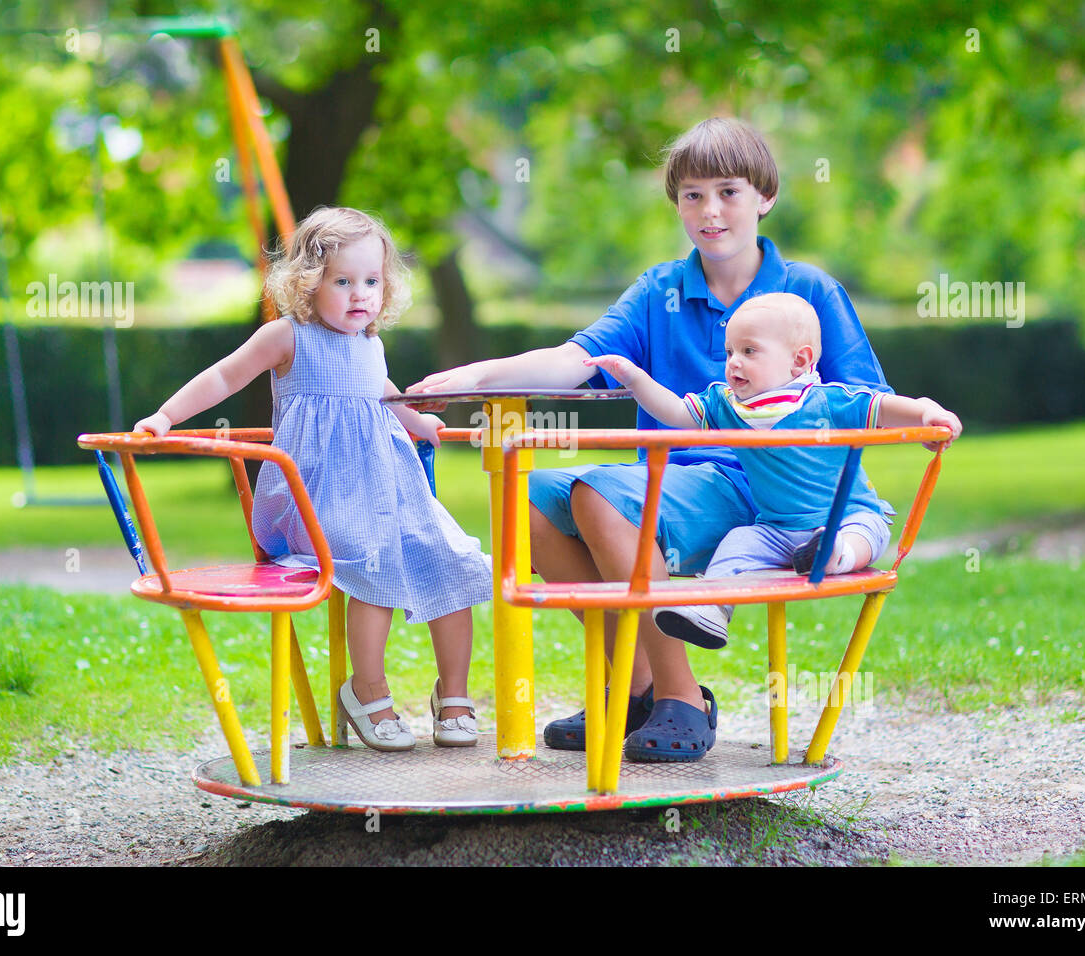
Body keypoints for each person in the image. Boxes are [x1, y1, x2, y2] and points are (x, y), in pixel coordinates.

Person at [408, 117, 893, 763]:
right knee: (524, 501)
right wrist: (472, 376)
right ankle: (635, 685)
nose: (710, 210)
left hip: (776, 495)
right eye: (692, 195)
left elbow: (864, 401)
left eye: (728, 191)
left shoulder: (807, 290)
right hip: (680, 483)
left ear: (765, 197)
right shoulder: (661, 290)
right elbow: (575, 359)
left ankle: (681, 695)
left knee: (598, 493)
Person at [134, 207, 493, 753]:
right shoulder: (288, 336)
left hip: (387, 492)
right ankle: (367, 689)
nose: (360, 295)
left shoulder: (370, 345)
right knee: (370, 559)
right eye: (343, 281)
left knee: (450, 556)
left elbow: (383, 394)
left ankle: (454, 694)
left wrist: (419, 422)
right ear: (307, 282)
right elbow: (225, 375)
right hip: (315, 499)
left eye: (371, 281)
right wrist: (165, 417)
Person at [584, 292, 962, 648]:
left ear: (799, 361)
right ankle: (711, 608)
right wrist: (635, 378)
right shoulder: (727, 406)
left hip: (845, 517)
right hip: (776, 528)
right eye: (730, 351)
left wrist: (928, 412)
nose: (734, 362)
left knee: (865, 532)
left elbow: (884, 406)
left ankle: (833, 555)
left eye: (749, 351)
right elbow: (676, 413)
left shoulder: (825, 402)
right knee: (737, 544)